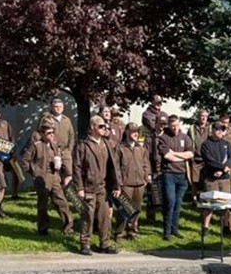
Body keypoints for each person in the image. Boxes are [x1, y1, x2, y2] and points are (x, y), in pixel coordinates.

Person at [73, 115, 120, 255]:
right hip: (88, 186)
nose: (104, 128)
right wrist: (79, 188)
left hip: (103, 187)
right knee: (87, 216)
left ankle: (104, 243)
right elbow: (76, 167)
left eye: (105, 126)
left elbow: (114, 167)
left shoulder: (107, 144)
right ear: (92, 127)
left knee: (104, 216)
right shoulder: (83, 145)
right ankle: (85, 243)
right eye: (101, 126)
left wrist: (117, 185)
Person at [22, 122, 71, 237]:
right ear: (42, 134)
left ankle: (68, 227)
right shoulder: (36, 145)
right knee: (43, 204)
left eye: (53, 132)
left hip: (55, 176)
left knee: (61, 202)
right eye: (49, 133)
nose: (51, 135)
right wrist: (34, 172)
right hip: (42, 178)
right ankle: (43, 229)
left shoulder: (54, 145)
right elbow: (24, 161)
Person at [39, 97, 77, 232]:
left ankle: (70, 197)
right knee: (48, 191)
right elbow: (42, 133)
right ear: (51, 107)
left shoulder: (67, 120)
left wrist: (69, 150)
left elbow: (72, 136)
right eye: (56, 106)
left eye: (60, 106)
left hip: (65, 151)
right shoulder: (47, 119)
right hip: (52, 151)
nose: (58, 108)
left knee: (69, 176)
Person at [156, 114, 194, 240]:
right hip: (169, 174)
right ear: (168, 125)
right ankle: (166, 231)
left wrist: (176, 153)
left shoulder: (185, 137)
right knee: (170, 201)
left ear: (179, 124)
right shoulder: (164, 138)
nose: (175, 128)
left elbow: (190, 154)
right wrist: (180, 156)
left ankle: (175, 229)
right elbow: (167, 156)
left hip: (182, 175)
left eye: (177, 125)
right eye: (172, 125)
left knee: (178, 203)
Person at [114, 123, 150, 240]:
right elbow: (116, 167)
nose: (135, 133)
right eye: (133, 131)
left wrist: (146, 177)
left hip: (139, 183)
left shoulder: (141, 148)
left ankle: (132, 232)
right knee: (123, 209)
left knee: (136, 210)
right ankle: (119, 232)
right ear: (127, 132)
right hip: (126, 184)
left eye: (137, 131)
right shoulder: (120, 148)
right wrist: (119, 183)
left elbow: (146, 164)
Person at [198, 121, 231, 234]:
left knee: (225, 204)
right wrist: (222, 168)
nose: (220, 131)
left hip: (224, 178)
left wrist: (224, 169)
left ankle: (226, 226)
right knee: (209, 204)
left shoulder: (227, 144)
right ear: (212, 130)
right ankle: (205, 227)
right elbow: (209, 160)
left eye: (222, 129)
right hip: (211, 178)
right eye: (218, 129)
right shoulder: (206, 144)